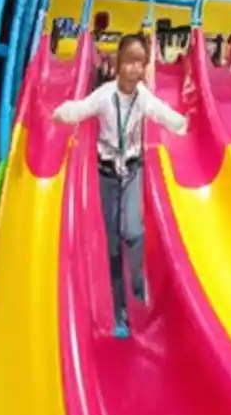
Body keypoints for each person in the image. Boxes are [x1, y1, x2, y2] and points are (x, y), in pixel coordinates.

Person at [52, 33, 188, 338]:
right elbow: (81, 109)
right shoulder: (105, 95)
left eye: (140, 63)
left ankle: (139, 287)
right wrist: (60, 113)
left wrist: (183, 123)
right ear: (118, 63)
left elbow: (162, 113)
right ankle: (120, 313)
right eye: (129, 61)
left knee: (134, 231)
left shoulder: (143, 97)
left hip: (132, 170)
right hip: (107, 173)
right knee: (113, 244)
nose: (134, 69)